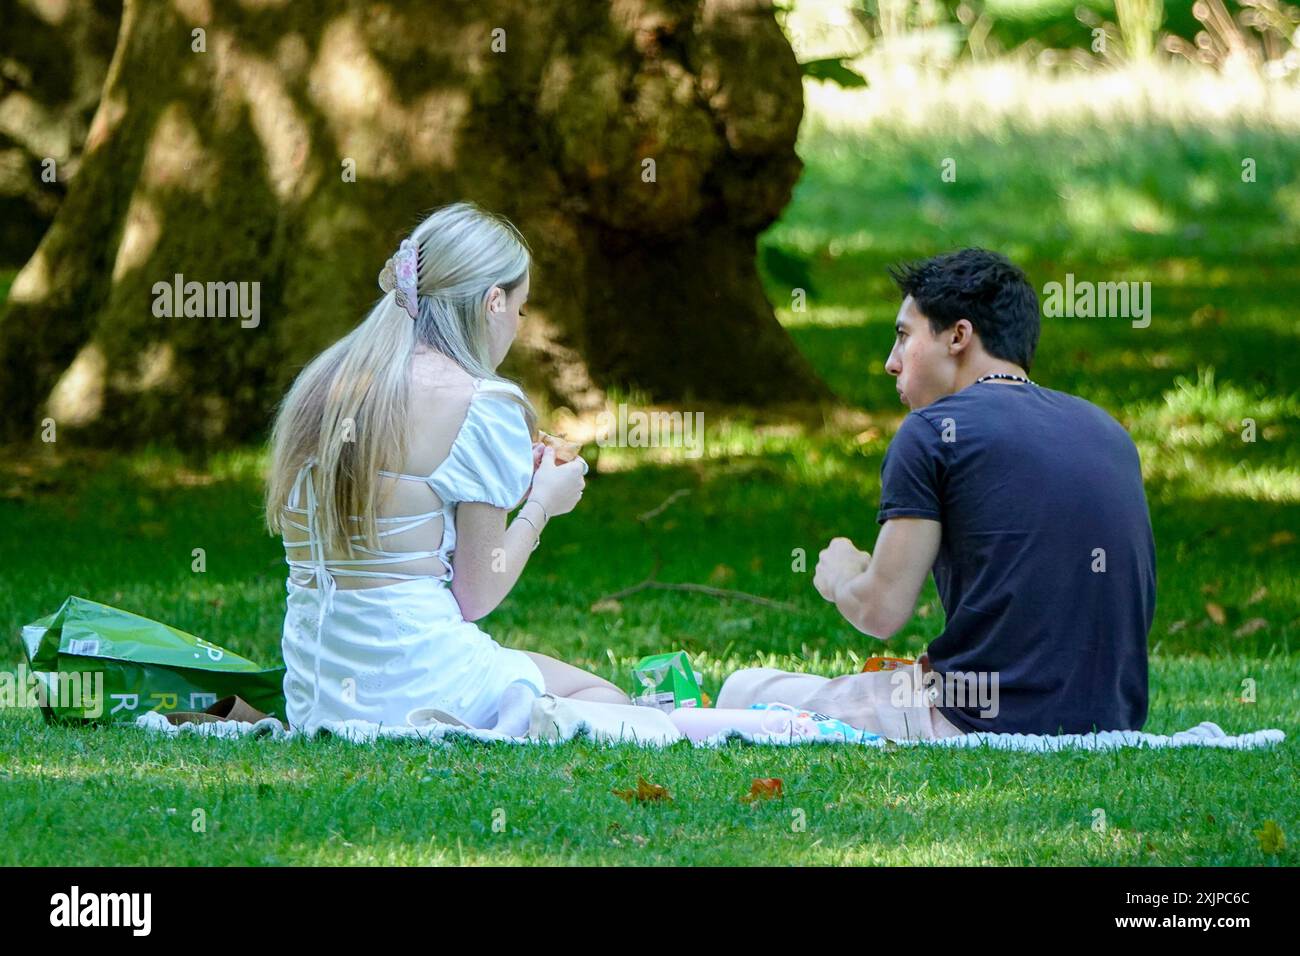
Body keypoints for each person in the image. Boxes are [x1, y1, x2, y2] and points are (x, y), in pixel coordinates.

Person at [718, 249, 1155, 738]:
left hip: (971, 719)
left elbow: (880, 611)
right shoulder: (1108, 432)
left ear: (958, 336)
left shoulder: (930, 432)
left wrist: (842, 577)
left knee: (743, 687)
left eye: (904, 336)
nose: (891, 363)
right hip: (1113, 721)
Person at [264, 201, 629, 736]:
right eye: (521, 310)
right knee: (609, 700)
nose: (518, 328)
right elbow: (476, 595)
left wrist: (504, 479)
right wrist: (542, 503)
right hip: (420, 683)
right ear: (493, 301)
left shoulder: (322, 384)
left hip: (317, 696)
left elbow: (394, 522)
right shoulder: (485, 402)